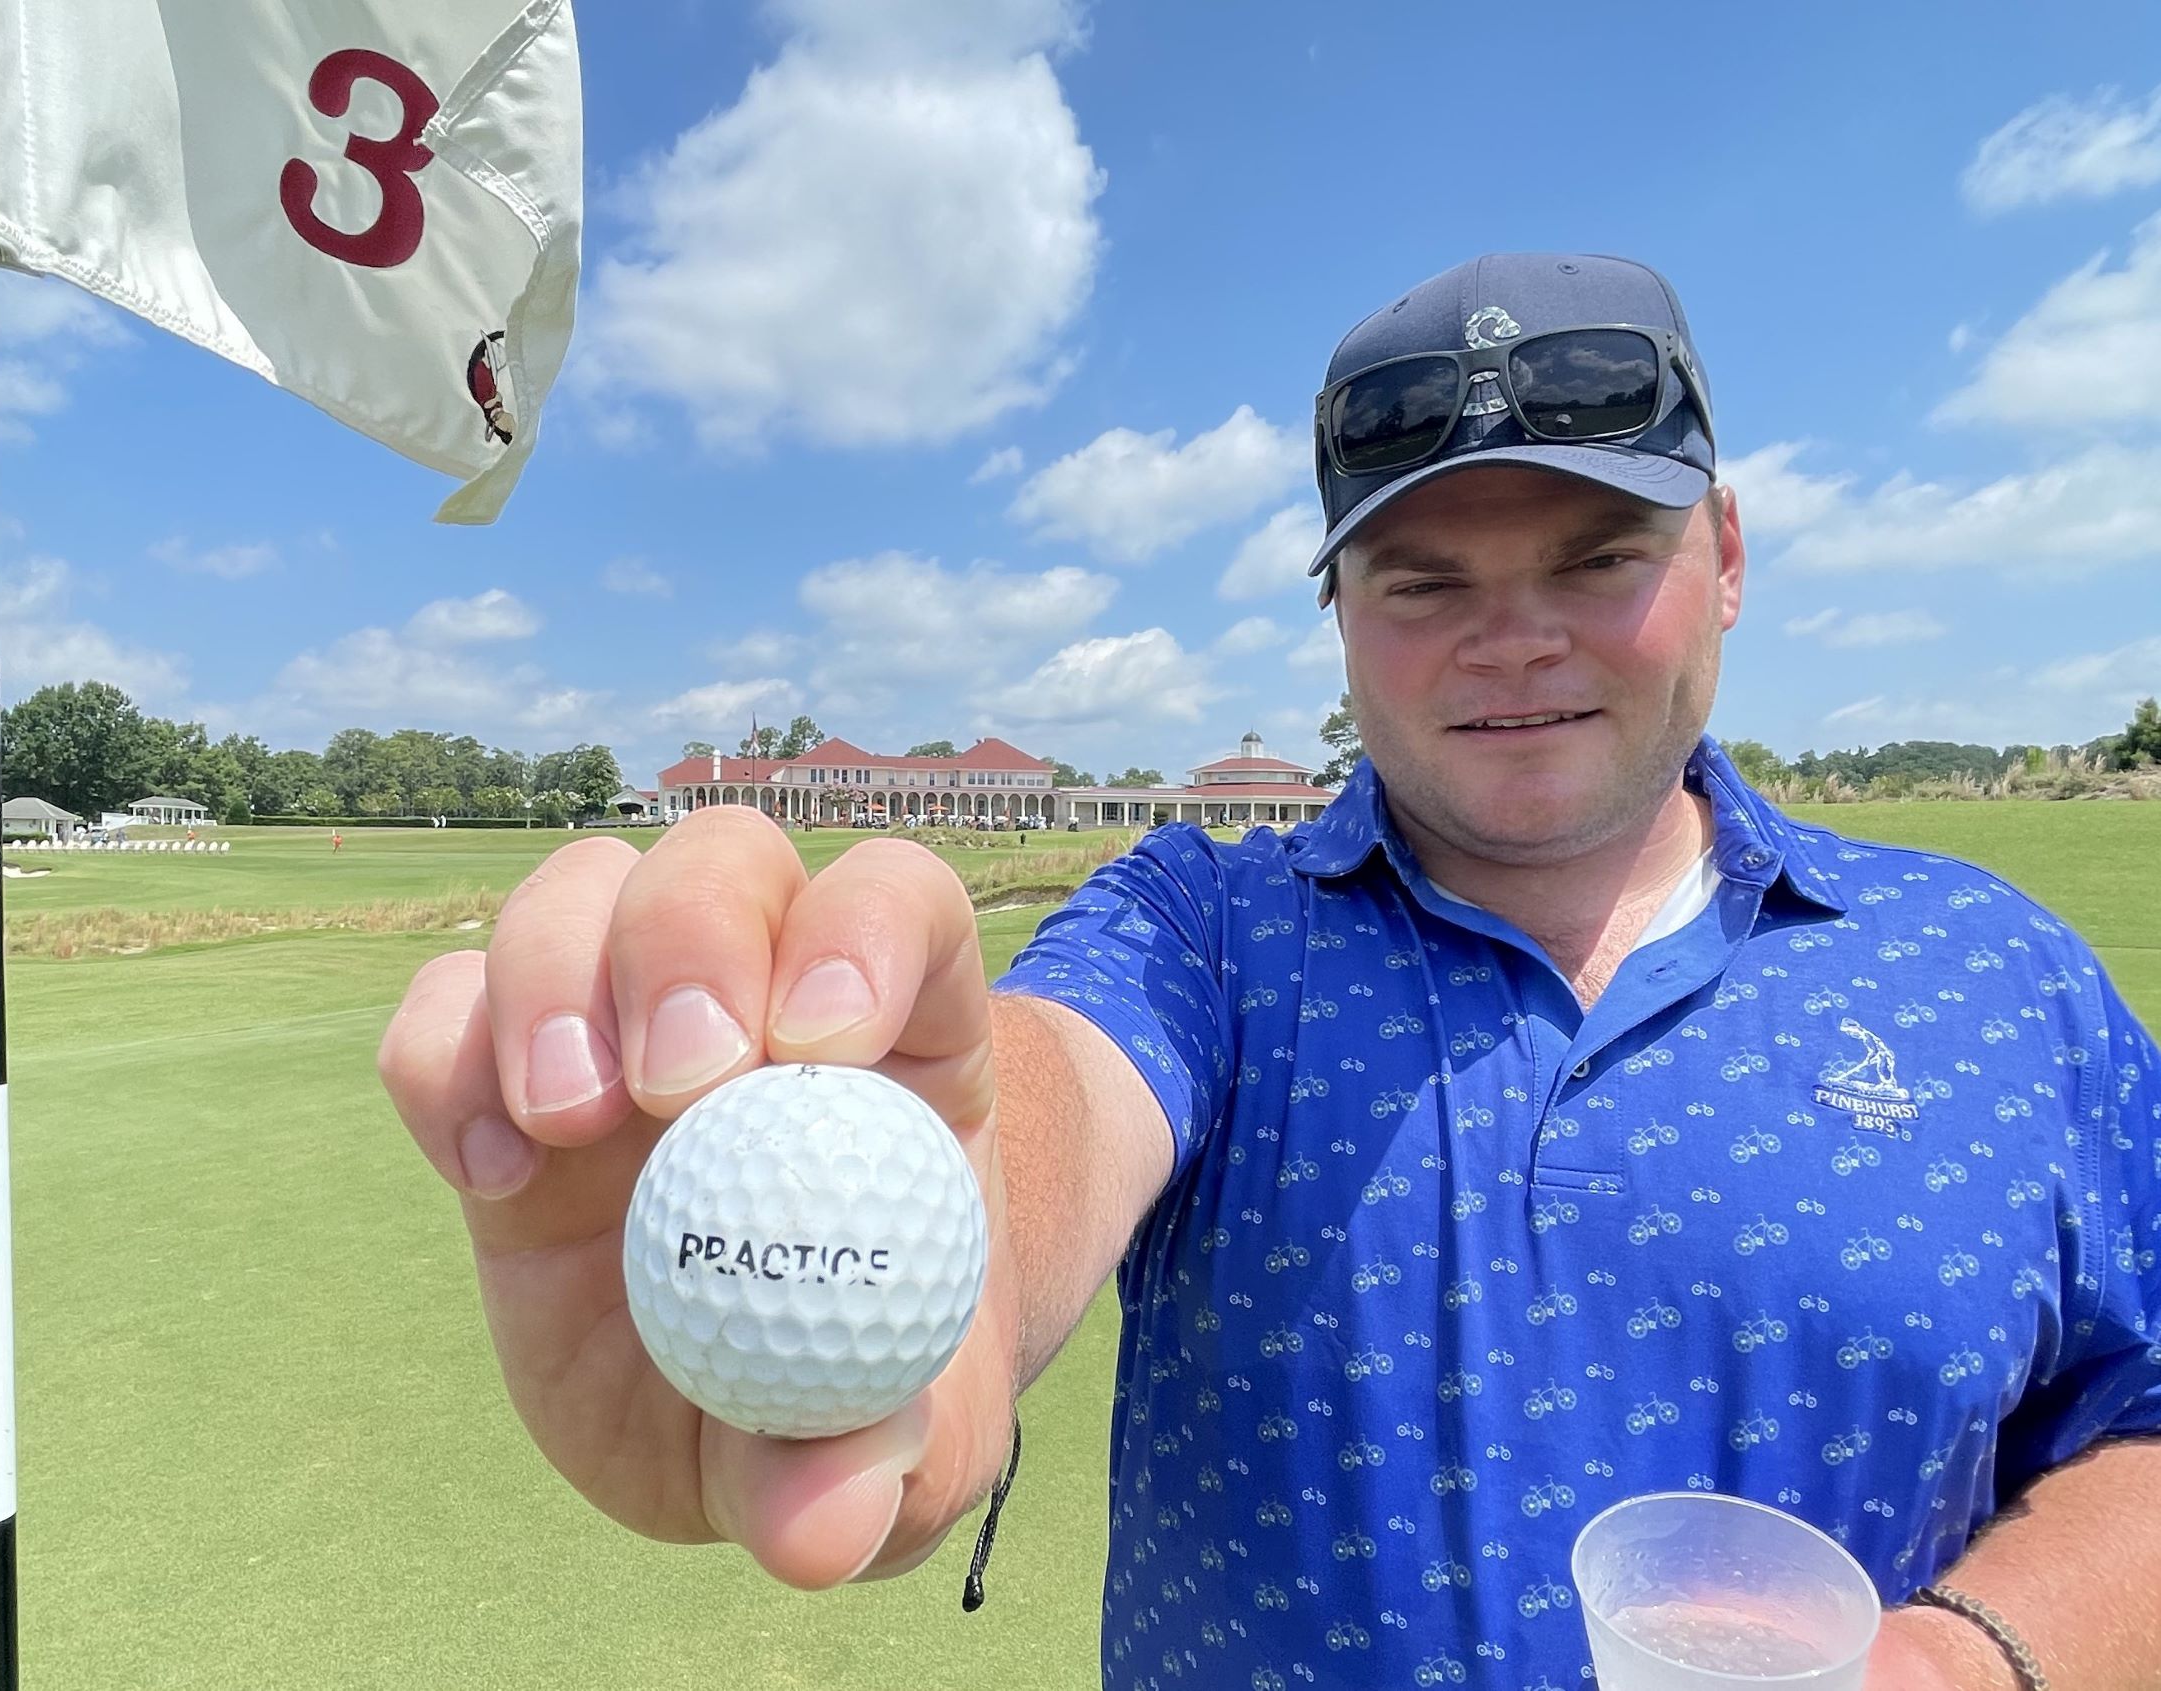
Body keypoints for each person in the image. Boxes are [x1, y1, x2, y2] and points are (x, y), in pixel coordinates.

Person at [375, 253, 2161, 1688]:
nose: (1509, 636)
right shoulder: (1203, 931)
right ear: (1332, 611)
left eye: (1597, 555)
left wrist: (1966, 1657)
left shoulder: (2000, 979)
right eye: (1417, 579)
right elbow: (1045, 1098)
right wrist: (906, 1335)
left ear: (1726, 562)